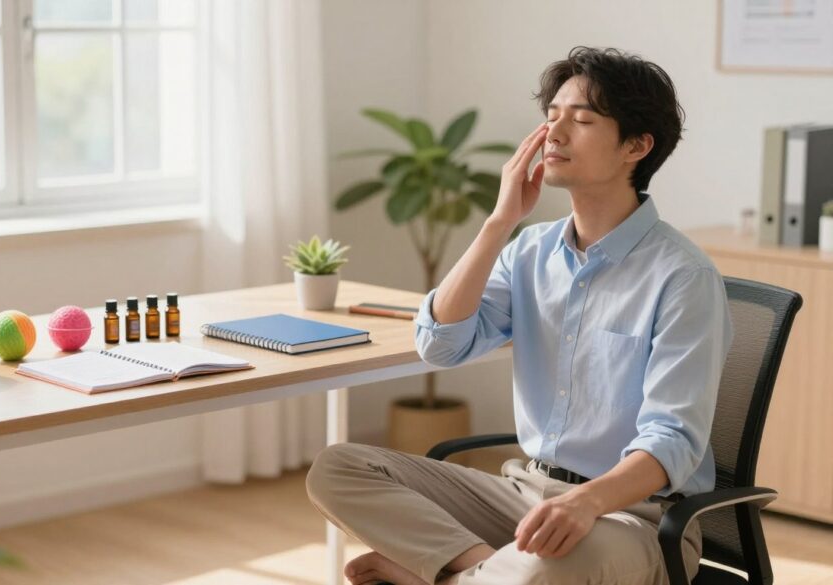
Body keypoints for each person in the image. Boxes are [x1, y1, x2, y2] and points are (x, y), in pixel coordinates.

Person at [306, 46, 733, 585]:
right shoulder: (529, 249)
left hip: (634, 516)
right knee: (338, 469)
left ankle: (455, 573)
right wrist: (498, 222)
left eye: (581, 120)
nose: (554, 134)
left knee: (545, 572)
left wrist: (585, 503)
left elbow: (671, 439)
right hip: (523, 493)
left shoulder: (683, 276)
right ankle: (483, 570)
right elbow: (441, 345)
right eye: (551, 116)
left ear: (636, 145)